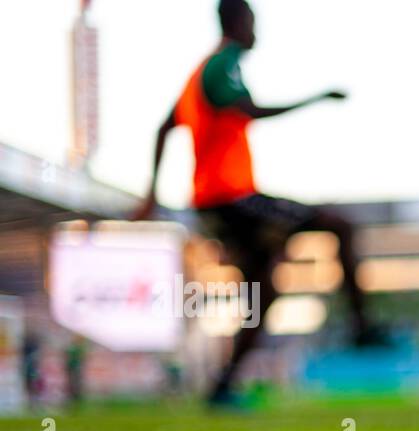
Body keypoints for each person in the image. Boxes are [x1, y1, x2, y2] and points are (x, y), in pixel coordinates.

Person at [134, 0, 387, 406]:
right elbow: (249, 109)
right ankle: (362, 328)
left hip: (212, 204)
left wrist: (151, 192)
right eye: (253, 23)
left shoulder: (197, 75)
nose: (257, 33)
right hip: (231, 199)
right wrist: (317, 98)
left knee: (264, 289)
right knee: (339, 224)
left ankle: (223, 388)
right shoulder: (223, 65)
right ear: (236, 23)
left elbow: (164, 127)